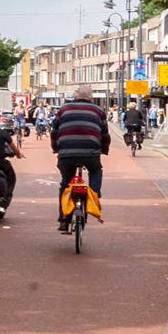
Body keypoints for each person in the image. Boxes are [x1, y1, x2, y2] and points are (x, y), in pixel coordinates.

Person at [51, 84, 112, 232]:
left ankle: (64, 220)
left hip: (67, 154)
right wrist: (103, 150)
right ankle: (94, 194)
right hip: (91, 153)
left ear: (76, 95)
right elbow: (105, 135)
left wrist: (56, 149)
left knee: (65, 184)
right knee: (96, 170)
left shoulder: (64, 109)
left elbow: (54, 131)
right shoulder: (98, 111)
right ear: (91, 97)